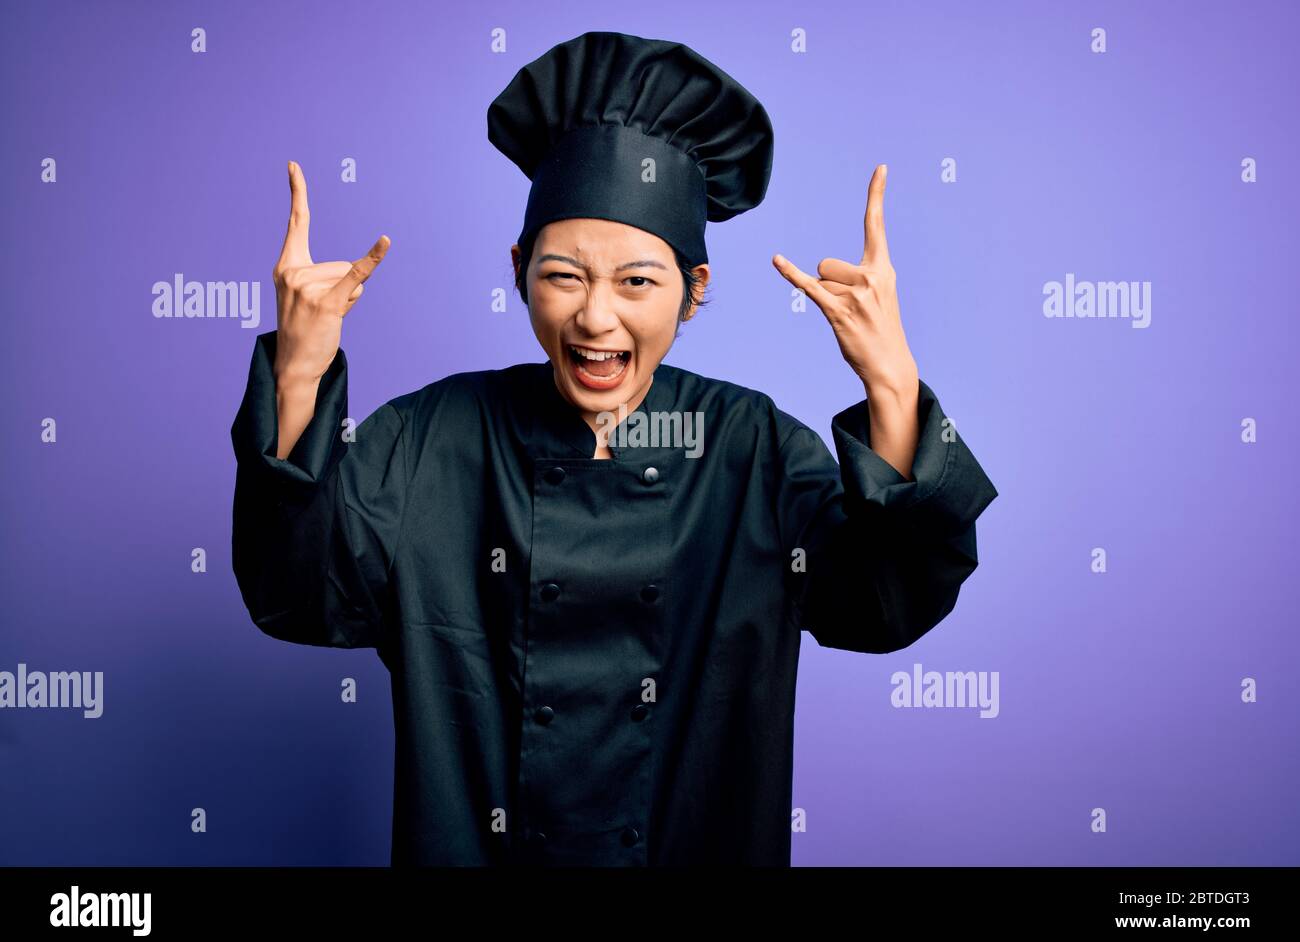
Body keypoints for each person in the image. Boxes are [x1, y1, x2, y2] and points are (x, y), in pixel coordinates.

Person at [230, 30, 998, 866]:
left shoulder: (752, 447)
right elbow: (296, 593)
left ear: (694, 293)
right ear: (519, 270)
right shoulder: (433, 437)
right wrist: (299, 371)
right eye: (563, 275)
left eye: (637, 281)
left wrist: (891, 385)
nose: (597, 317)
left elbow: (886, 604)